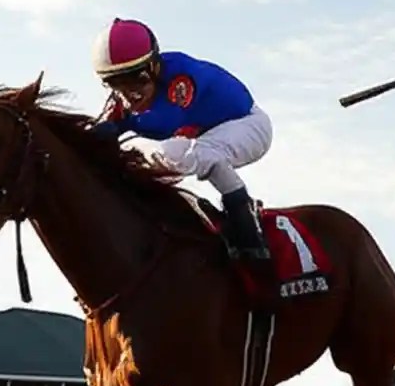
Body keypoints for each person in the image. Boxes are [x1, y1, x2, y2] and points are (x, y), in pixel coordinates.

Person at [88, 18, 274, 265]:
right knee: (185, 154)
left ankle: (243, 214)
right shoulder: (121, 100)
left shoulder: (181, 76)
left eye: (137, 78)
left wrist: (122, 128)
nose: (129, 93)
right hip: (208, 135)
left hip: (248, 125)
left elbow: (166, 123)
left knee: (180, 154)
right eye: (115, 83)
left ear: (154, 66)